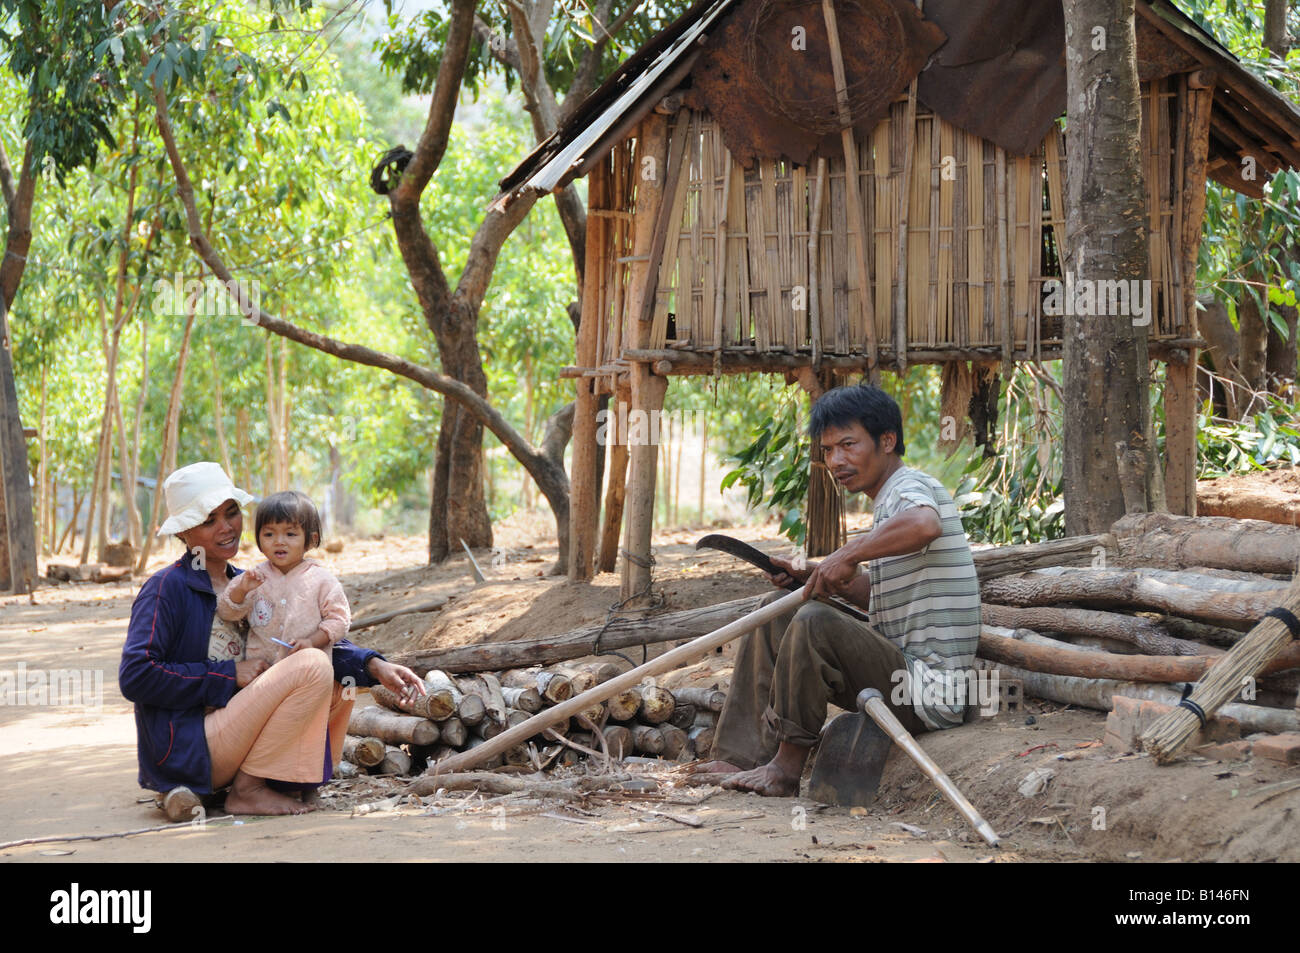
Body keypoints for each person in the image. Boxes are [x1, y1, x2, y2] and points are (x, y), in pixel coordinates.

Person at [693, 385, 981, 796]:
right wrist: (820, 577)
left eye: (848, 445)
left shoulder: (907, 487)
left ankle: (786, 768)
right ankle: (741, 756)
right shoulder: (886, 502)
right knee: (780, 608)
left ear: (887, 440)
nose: (836, 461)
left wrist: (847, 552)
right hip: (902, 675)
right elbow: (876, 597)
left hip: (930, 692)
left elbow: (924, 525)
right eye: (828, 450)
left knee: (813, 622)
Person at [119, 462, 427, 819]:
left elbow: (296, 644)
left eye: (231, 513)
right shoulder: (166, 589)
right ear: (184, 533)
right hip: (193, 747)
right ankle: (247, 791)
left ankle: (286, 780)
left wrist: (374, 665)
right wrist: (228, 674)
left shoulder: (249, 582)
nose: (226, 527)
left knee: (336, 685)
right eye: (209, 521)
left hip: (241, 736)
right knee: (313, 667)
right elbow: (136, 675)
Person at [217, 490, 349, 666]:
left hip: (306, 671)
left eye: (290, 534)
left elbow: (339, 620)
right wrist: (241, 590)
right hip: (261, 672)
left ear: (311, 539)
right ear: (258, 540)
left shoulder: (322, 580)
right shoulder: (253, 578)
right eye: (269, 534)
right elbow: (226, 612)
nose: (279, 541)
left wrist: (312, 642)